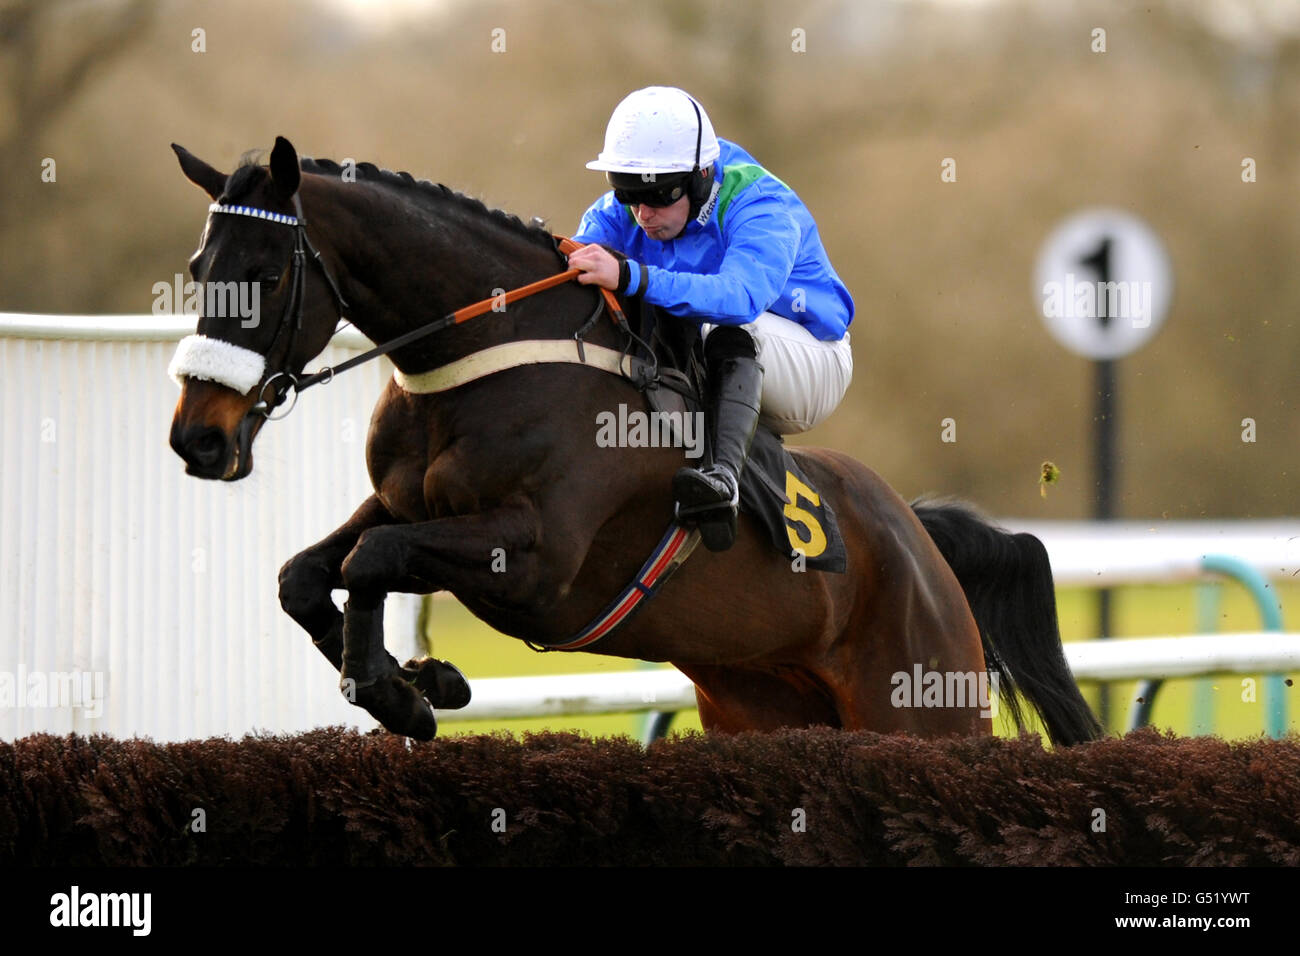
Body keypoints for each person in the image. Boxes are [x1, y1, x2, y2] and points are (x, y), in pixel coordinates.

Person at [569, 86, 854, 552]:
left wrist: (631, 274)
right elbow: (577, 271)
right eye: (626, 191)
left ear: (701, 176)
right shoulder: (624, 211)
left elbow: (738, 298)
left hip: (812, 361)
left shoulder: (761, 203)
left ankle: (723, 481)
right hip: (716, 353)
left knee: (722, 324)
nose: (643, 213)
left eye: (659, 195)